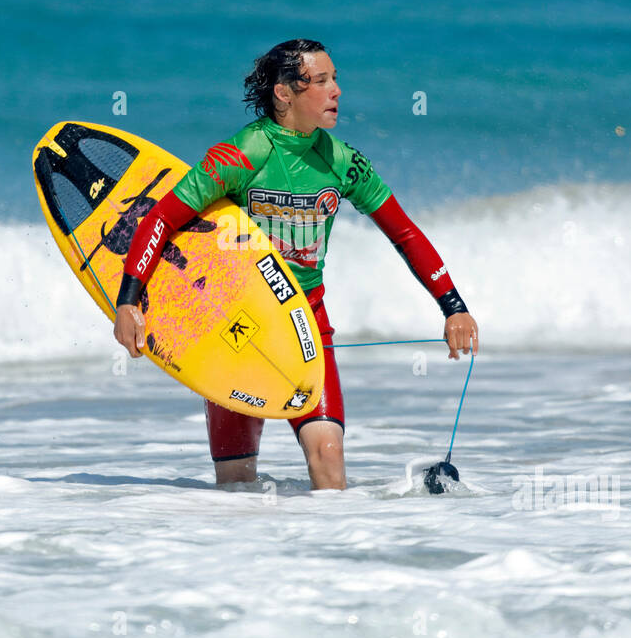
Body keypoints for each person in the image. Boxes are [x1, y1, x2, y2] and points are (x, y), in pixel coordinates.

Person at [113, 39, 478, 490]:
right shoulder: (243, 154)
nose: (337, 91)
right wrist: (129, 301)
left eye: (336, 79)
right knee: (235, 485)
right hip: (235, 330)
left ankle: (327, 555)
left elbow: (404, 233)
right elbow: (161, 218)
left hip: (306, 324)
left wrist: (453, 306)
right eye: (321, 81)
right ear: (284, 93)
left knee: (328, 456)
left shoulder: (341, 161)